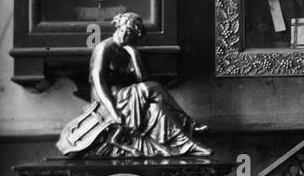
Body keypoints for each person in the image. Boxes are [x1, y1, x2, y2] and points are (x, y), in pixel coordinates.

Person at [58, 12, 211, 157]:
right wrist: (113, 110)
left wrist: (134, 54)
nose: (126, 35)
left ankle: (188, 145)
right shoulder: (104, 48)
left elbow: (141, 78)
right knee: (152, 87)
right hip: (106, 100)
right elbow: (98, 81)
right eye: (125, 30)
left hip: (126, 95)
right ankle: (188, 122)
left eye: (131, 34)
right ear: (118, 27)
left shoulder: (127, 50)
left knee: (157, 109)